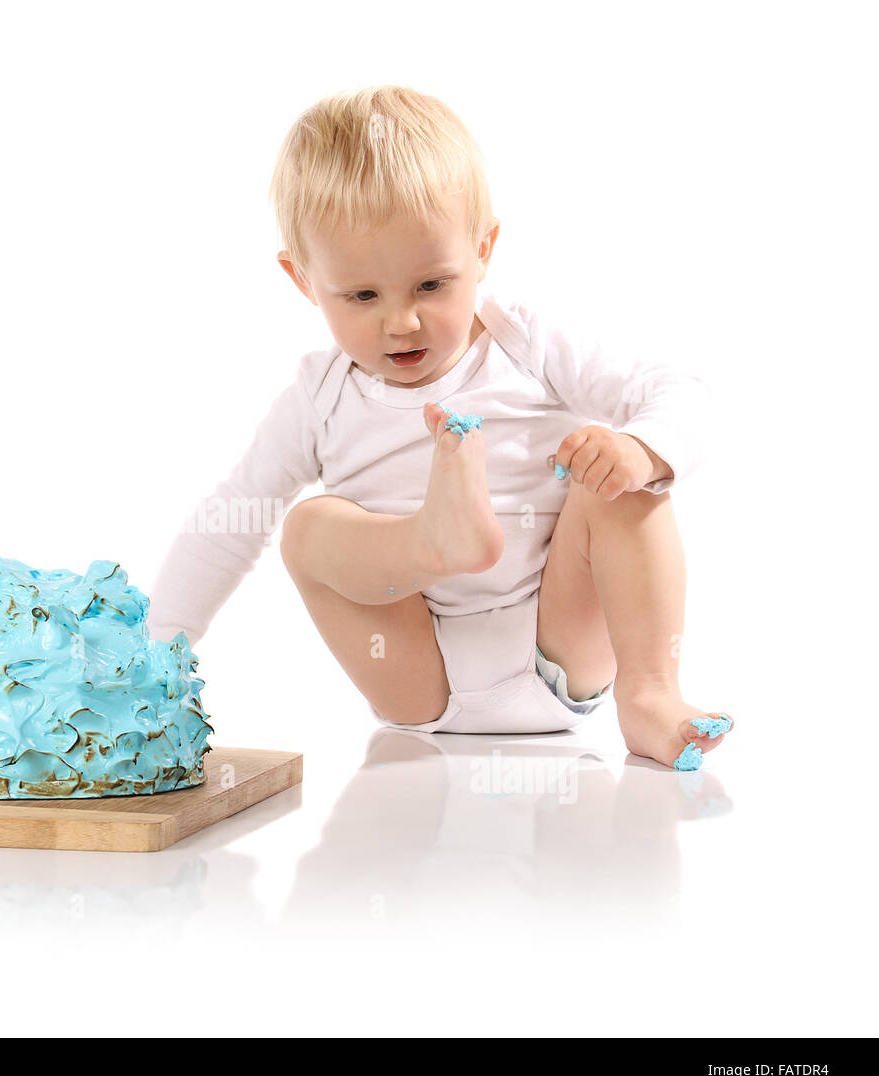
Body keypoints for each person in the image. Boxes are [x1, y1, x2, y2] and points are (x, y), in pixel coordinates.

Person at [146, 85, 733, 770]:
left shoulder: (529, 344)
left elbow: (680, 392)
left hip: (560, 644)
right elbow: (230, 522)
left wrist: (640, 449)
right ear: (302, 278)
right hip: (415, 673)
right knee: (309, 527)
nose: (401, 321)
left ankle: (652, 695)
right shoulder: (320, 396)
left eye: (431, 285)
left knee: (626, 479)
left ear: (483, 249)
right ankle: (431, 541)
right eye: (362, 295)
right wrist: (156, 651)